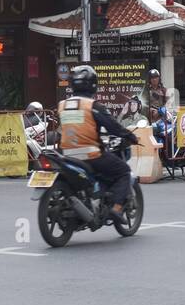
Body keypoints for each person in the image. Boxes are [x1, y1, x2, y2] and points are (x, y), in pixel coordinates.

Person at [57, 64, 138, 226]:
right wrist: (129, 135)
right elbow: (112, 126)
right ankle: (116, 208)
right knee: (124, 171)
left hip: (67, 156)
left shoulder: (62, 105)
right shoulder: (92, 106)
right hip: (91, 155)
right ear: (93, 84)